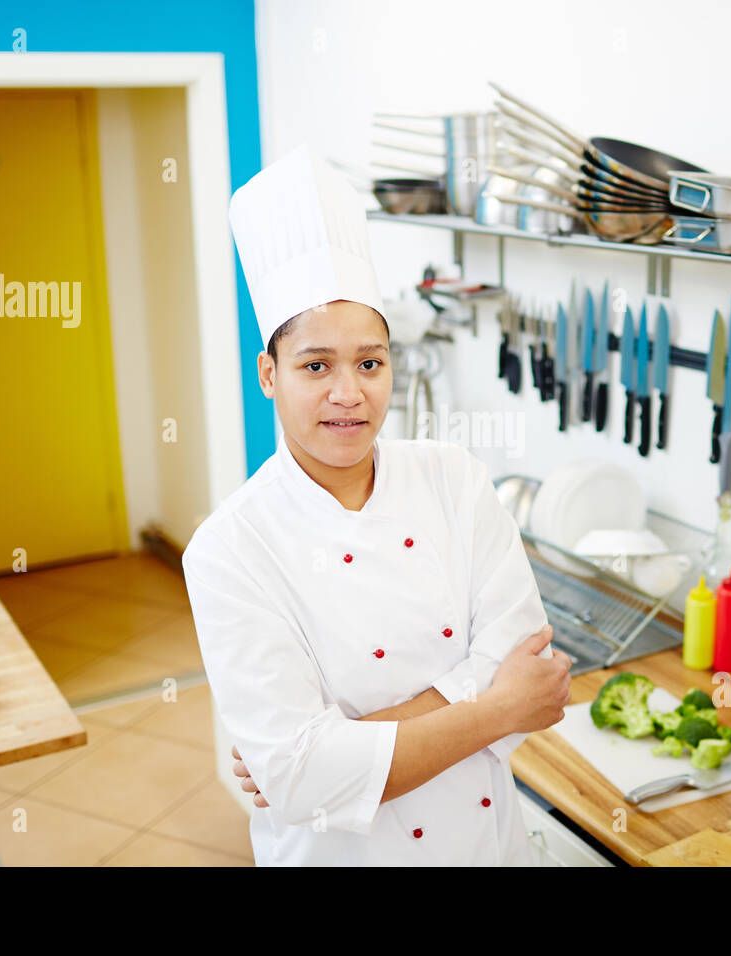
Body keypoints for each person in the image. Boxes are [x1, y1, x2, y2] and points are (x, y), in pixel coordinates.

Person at [181, 143, 572, 866]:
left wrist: (329, 756)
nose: (349, 393)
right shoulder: (229, 547)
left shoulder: (454, 479)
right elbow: (300, 781)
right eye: (315, 365)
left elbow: (525, 666)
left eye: (370, 361)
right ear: (269, 374)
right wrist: (493, 709)